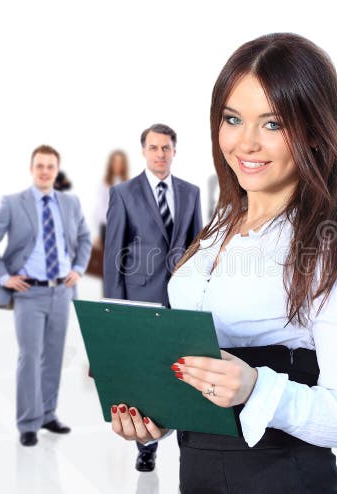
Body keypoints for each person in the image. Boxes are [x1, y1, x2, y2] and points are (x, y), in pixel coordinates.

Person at [108, 33, 337, 493]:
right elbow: (202, 373)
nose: (246, 143)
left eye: (273, 124)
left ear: (316, 131)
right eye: (233, 119)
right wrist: (160, 412)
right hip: (199, 477)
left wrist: (258, 389)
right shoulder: (217, 231)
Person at [103, 123, 203, 472]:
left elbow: (197, 249)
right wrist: (114, 309)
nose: (160, 154)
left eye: (166, 148)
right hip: (139, 296)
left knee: (181, 372)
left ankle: (189, 445)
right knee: (146, 375)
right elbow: (114, 252)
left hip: (180, 300)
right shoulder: (124, 193)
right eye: (154, 148)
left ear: (174, 151)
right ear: (143, 151)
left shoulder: (190, 193)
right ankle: (146, 446)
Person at [0, 145, 91, 446]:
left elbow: (83, 237)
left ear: (57, 170)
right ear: (32, 169)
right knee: (30, 357)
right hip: (29, 293)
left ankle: (47, 414)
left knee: (54, 356)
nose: (45, 171)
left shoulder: (70, 203)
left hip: (62, 291)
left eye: (50, 166)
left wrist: (79, 268)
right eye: (40, 166)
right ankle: (28, 423)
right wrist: (3, 277)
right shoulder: (13, 203)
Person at [93, 150, 129, 247]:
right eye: (115, 162)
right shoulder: (104, 183)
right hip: (107, 227)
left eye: (120, 162)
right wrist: (97, 234)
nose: (117, 165)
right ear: (111, 164)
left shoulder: (129, 184)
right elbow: (99, 208)